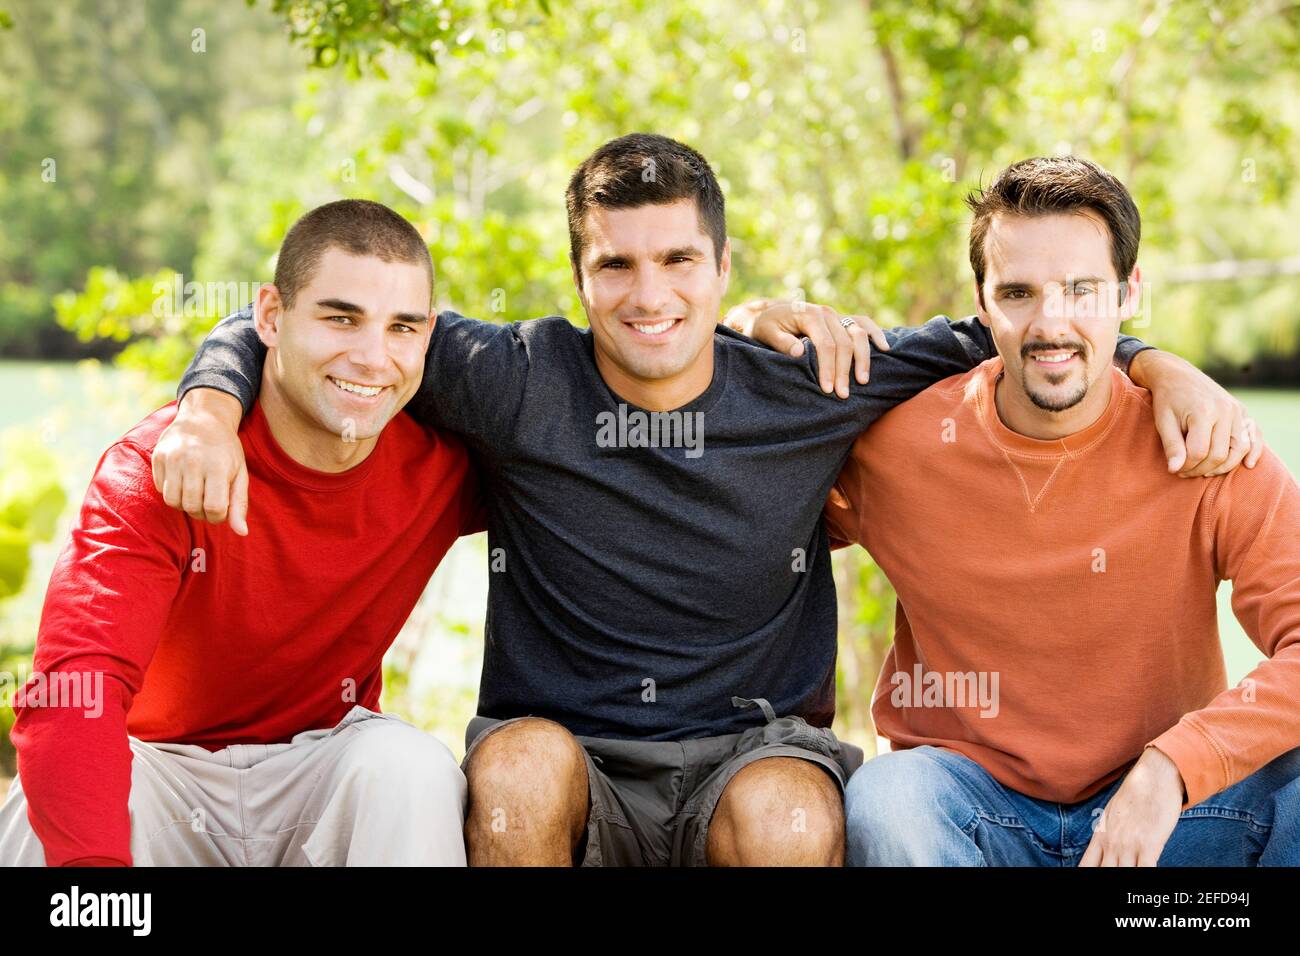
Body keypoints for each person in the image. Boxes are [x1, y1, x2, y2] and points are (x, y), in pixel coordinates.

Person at [151, 135, 1251, 867]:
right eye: (616, 265)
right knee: (516, 775)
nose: (649, 294)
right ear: (577, 274)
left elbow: (1031, 332)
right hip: (566, 740)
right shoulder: (511, 374)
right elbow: (297, 319)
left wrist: (1161, 364)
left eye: (678, 258)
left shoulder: (815, 379)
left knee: (788, 819)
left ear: (722, 267)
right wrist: (206, 407)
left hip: (754, 746)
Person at [821, 156, 1299, 866]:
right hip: (972, 815)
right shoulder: (897, 447)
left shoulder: (1206, 442)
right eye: (1018, 292)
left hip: (1168, 821)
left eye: (1082, 290)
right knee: (888, 800)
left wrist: (1174, 766)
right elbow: (753, 519)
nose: (1052, 323)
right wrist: (750, 323)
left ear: (1129, 293)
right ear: (981, 305)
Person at [0, 199, 480, 867]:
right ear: (271, 317)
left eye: (401, 327)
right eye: (341, 317)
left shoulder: (444, 465)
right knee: (33, 819)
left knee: (411, 768)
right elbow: (75, 689)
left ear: (429, 334)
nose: (373, 357)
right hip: (163, 774)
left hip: (320, 771)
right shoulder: (162, 464)